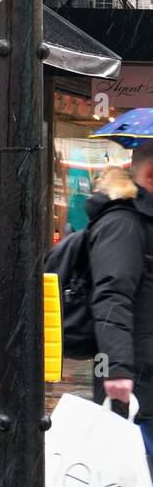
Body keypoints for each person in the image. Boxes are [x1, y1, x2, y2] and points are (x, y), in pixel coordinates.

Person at [85, 147, 153, 466]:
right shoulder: (124, 224)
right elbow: (112, 296)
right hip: (137, 381)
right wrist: (117, 370)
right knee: (134, 484)